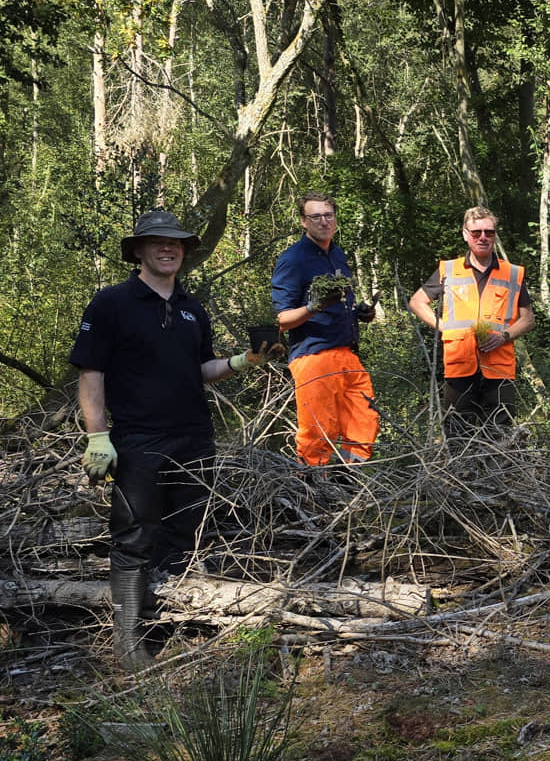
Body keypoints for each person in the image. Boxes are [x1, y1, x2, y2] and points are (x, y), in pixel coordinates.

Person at [70, 210, 274, 667]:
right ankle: (127, 646)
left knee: (183, 533)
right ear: (138, 250)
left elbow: (201, 371)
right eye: (158, 242)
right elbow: (91, 371)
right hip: (138, 440)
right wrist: (98, 436)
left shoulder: (191, 308)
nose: (169, 249)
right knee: (135, 537)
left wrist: (244, 360)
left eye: (177, 243)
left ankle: (167, 627)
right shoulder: (111, 304)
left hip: (194, 439)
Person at [271, 192, 379, 466]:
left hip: (347, 353)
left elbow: (338, 305)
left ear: (335, 219)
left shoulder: (337, 255)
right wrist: (314, 307)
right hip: (314, 356)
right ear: (303, 222)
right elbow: (282, 320)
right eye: (315, 216)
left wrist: (360, 314)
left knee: (363, 421)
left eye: (328, 215)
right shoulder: (293, 259)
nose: (323, 221)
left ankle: (348, 484)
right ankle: (312, 494)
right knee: (318, 433)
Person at [408, 206, 535, 429]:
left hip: (498, 368)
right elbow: (417, 302)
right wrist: (443, 327)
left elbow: (527, 319)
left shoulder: (512, 273)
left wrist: (504, 336)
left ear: (495, 235)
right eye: (477, 233)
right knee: (458, 434)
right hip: (459, 366)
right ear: (466, 235)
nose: (483, 237)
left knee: (501, 436)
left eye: (489, 232)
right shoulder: (449, 270)